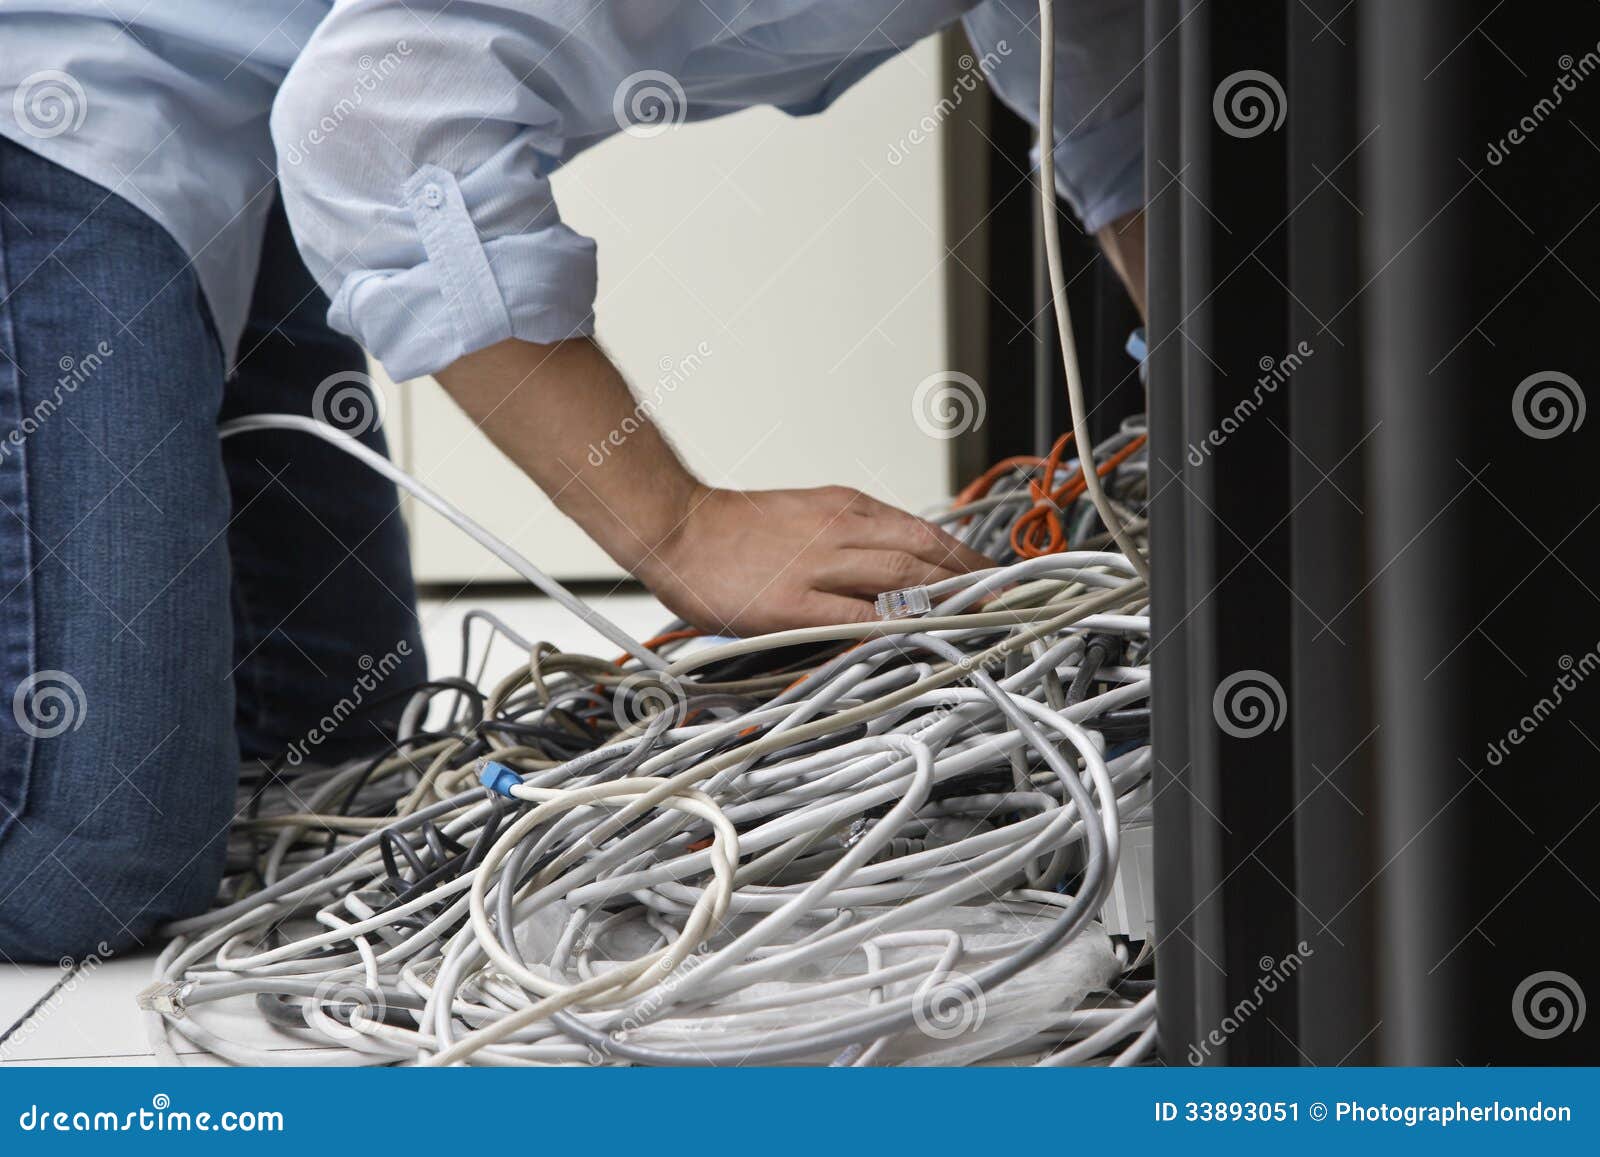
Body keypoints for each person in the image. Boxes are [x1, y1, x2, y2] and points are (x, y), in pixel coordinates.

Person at [0, 0, 1144, 961]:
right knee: (95, 861)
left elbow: (1129, 114)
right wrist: (679, 525)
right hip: (69, 78)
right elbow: (378, 124)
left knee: (325, 776)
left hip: (246, 116)